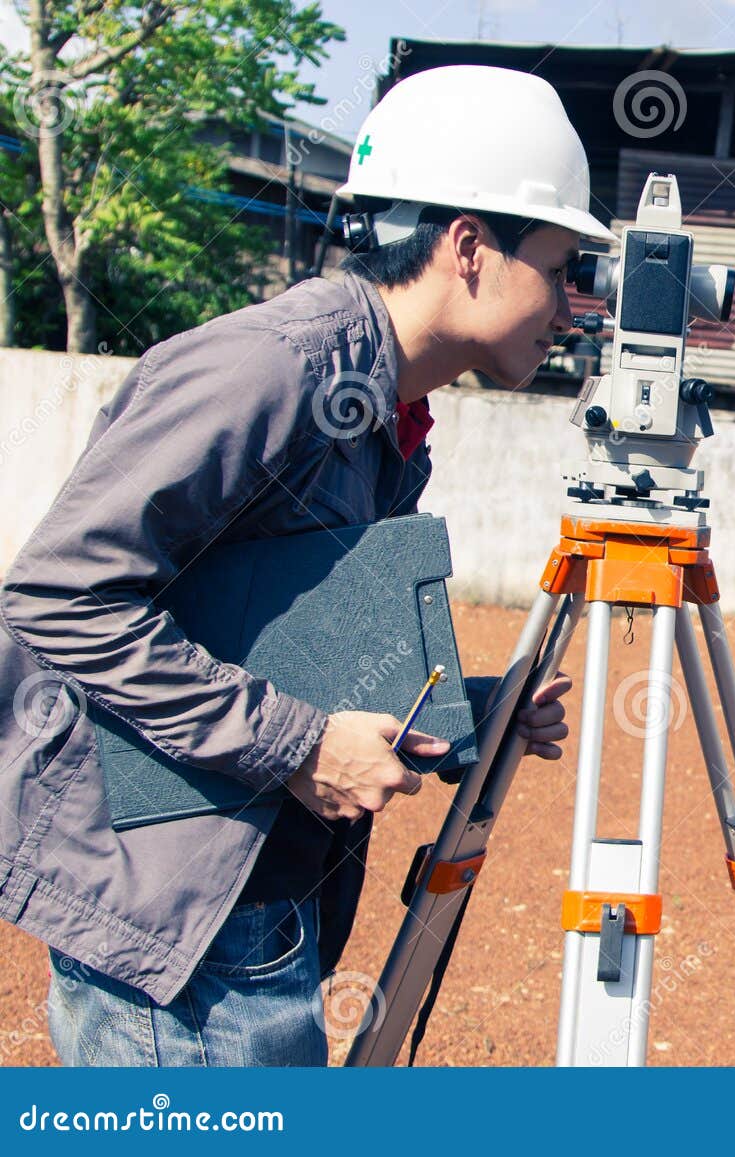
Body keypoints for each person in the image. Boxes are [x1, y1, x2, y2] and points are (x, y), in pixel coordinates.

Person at [0, 65, 616, 1065]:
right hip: (182, 940)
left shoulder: (384, 405)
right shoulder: (273, 371)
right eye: (558, 264)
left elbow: (274, 636)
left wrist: (458, 711)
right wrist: (297, 746)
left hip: (256, 912)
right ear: (468, 246)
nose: (571, 304)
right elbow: (62, 596)